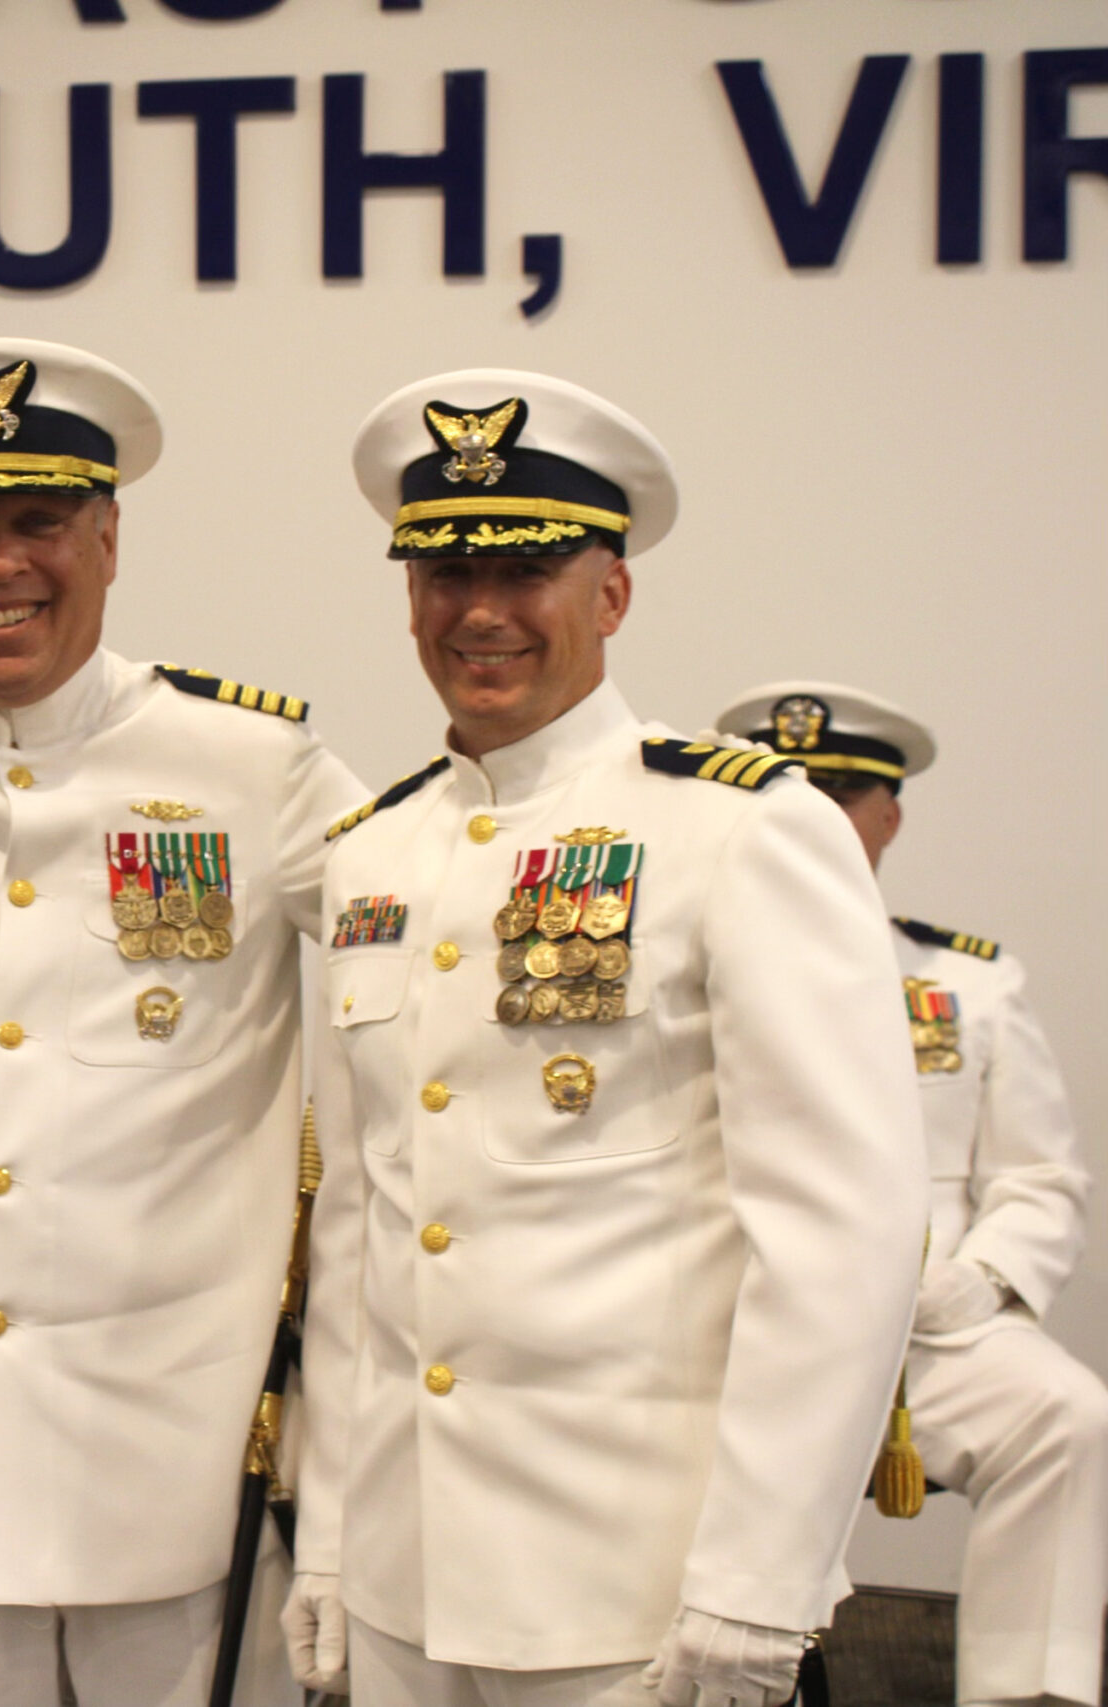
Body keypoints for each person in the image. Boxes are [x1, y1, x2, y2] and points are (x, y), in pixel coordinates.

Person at [286, 369, 926, 1707]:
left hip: (635, 1582)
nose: (479, 610)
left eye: (526, 567)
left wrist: (760, 1579)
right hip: (411, 1574)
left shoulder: (743, 827)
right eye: (443, 568)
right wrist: (334, 1538)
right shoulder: (370, 852)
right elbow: (362, 1229)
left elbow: (838, 1233)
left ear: (610, 594)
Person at [0, 338, 362, 1707]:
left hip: (178, 1453)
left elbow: (438, 939)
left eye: (38, 522)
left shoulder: (249, 765)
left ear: (107, 535)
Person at [714, 681, 1104, 1707]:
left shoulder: (970, 984)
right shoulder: (675, 963)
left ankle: (1028, 1694)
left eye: (843, 793)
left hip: (930, 1337)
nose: (817, 815)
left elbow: (1038, 1175)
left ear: (888, 816)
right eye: (788, 788)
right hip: (731, 1330)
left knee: (1066, 1418)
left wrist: (981, 1284)